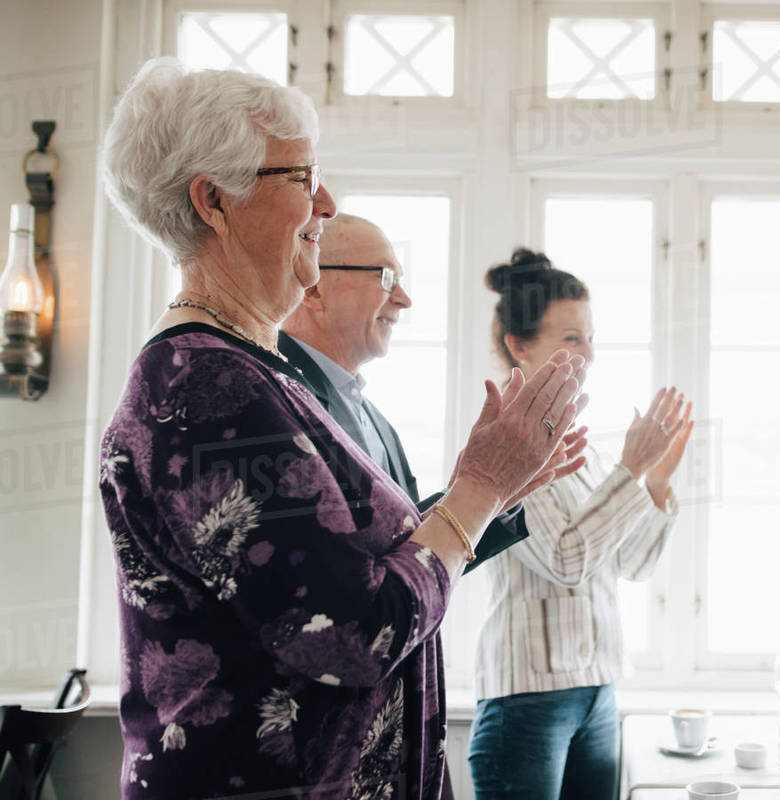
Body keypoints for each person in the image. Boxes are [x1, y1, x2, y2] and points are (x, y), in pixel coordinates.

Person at [98, 58, 586, 800]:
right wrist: (480, 487)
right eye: (301, 177)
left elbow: (356, 567)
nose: (325, 201)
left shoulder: (252, 373)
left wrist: (492, 488)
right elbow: (354, 632)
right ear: (212, 201)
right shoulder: (206, 386)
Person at [468, 249, 694, 800]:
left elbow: (630, 565)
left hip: (598, 690)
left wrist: (655, 484)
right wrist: (631, 468)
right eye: (572, 338)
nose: (589, 353)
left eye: (590, 337)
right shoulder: (503, 448)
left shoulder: (584, 449)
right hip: (527, 700)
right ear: (518, 346)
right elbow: (567, 561)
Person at [279, 214, 529, 570]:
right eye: (386, 277)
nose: (404, 299)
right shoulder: (275, 395)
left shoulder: (376, 421)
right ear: (314, 287)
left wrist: (496, 491)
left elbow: (408, 553)